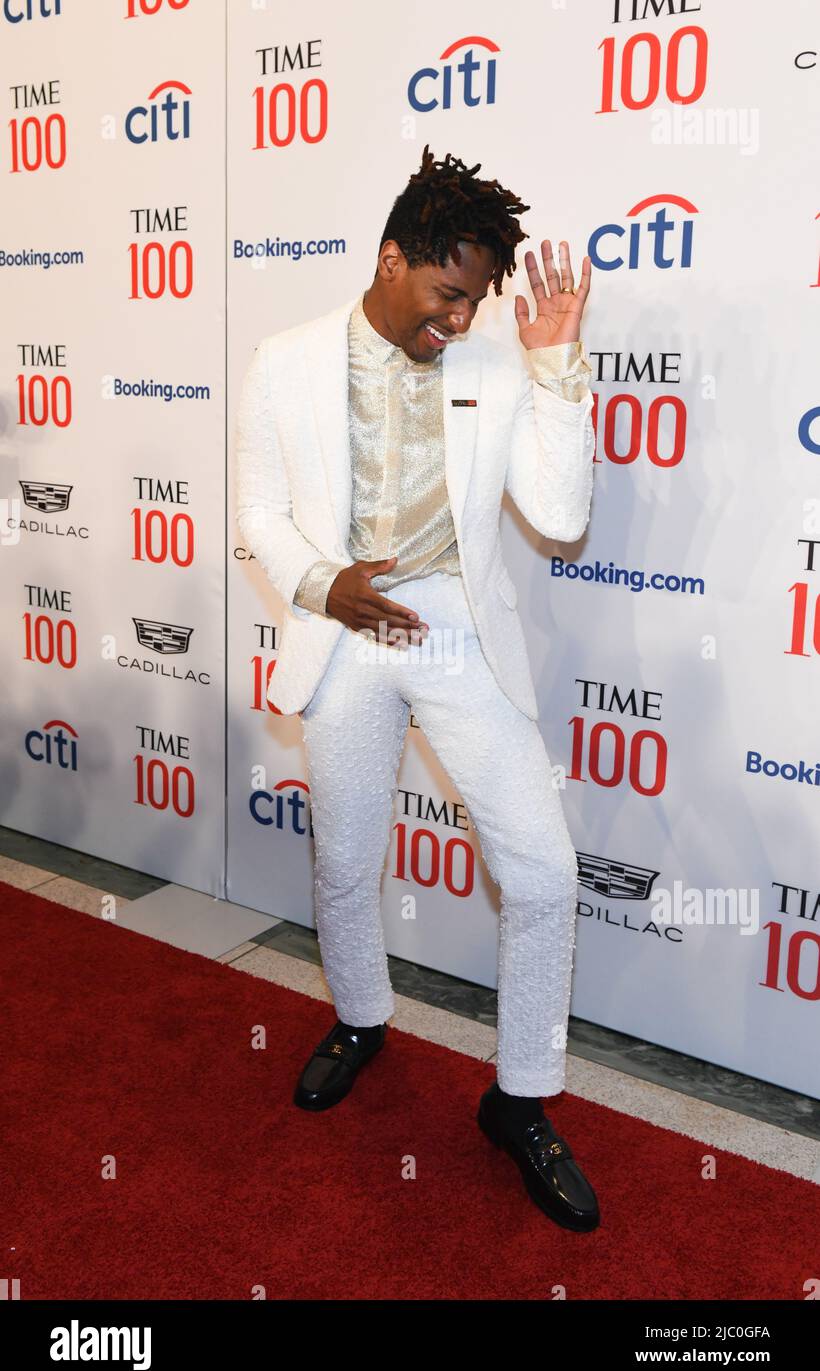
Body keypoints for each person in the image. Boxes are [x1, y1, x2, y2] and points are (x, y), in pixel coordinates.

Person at [235, 145, 599, 1232]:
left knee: (541, 869)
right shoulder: (285, 359)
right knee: (345, 856)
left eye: (475, 300)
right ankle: (360, 1018)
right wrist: (320, 583)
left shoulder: (494, 365)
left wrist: (554, 369)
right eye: (446, 295)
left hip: (454, 630)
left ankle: (521, 1096)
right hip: (341, 625)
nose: (458, 320)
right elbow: (257, 510)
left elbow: (561, 518)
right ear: (391, 259)